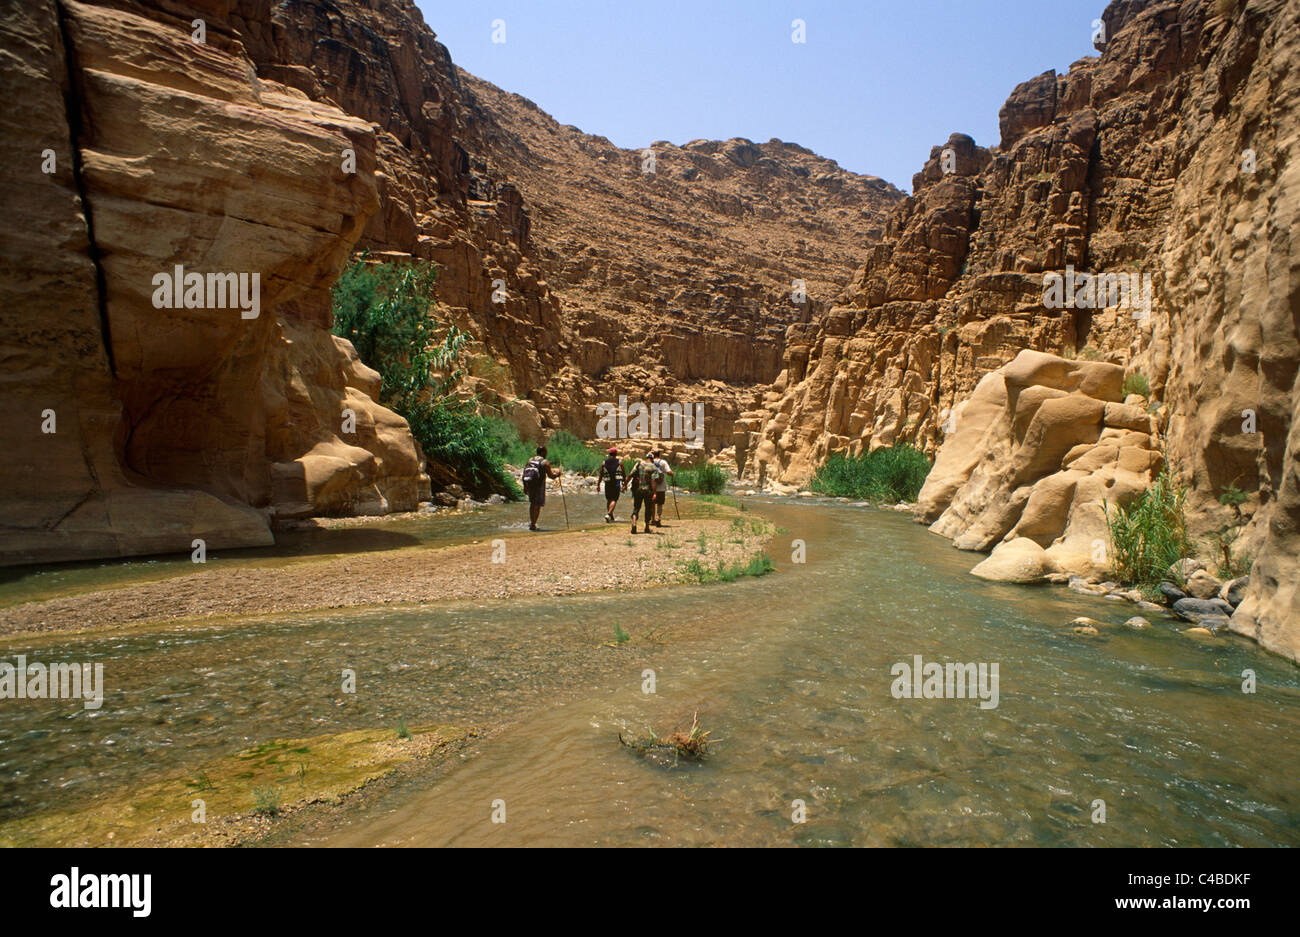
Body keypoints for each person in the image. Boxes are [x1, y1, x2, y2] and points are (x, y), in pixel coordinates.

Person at [521, 445, 562, 531]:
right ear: (543, 452)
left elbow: (524, 472)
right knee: (538, 505)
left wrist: (525, 486)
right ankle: (533, 525)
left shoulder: (530, 460)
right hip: (538, 485)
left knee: (532, 504)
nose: (546, 454)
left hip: (529, 484)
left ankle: (532, 523)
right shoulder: (545, 462)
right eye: (546, 452)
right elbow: (551, 476)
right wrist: (558, 474)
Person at [625, 452, 655, 534]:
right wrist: (655, 492)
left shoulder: (638, 464)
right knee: (648, 508)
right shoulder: (653, 466)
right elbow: (653, 481)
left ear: (646, 458)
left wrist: (625, 484)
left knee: (636, 507)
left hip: (637, 489)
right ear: (652, 459)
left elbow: (630, 475)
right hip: (648, 491)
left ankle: (634, 523)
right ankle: (647, 527)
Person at [596, 447, 624, 522]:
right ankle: (609, 514)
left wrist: (598, 485)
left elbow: (601, 474)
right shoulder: (619, 462)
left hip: (607, 482)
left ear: (609, 454)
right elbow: (623, 473)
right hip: (617, 482)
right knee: (614, 498)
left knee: (609, 499)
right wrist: (624, 484)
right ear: (616, 454)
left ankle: (610, 516)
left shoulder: (604, 463)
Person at [650, 450, 674, 527]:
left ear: (653, 455)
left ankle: (652, 519)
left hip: (651, 486)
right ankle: (658, 517)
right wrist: (672, 473)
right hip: (661, 486)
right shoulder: (663, 462)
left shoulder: (650, 462)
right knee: (660, 503)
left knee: (652, 503)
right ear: (659, 454)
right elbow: (669, 472)